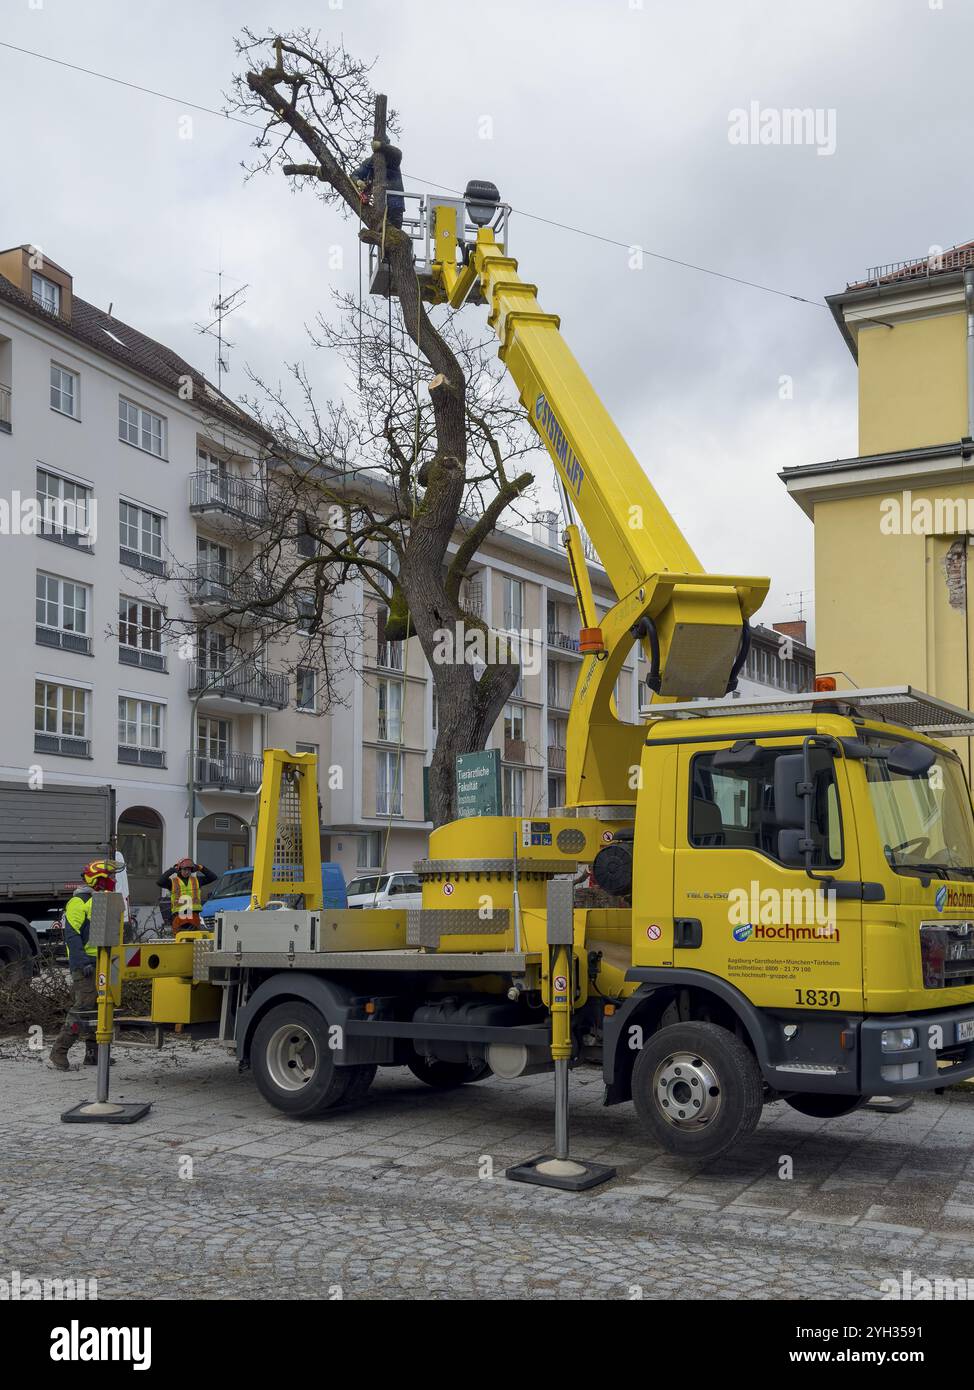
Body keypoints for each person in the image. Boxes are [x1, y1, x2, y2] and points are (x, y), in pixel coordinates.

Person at [48, 860, 119, 1071]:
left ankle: (93, 1054)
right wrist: (82, 962)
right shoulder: (78, 902)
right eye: (108, 878)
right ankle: (58, 1052)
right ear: (97, 880)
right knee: (83, 1008)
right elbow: (72, 935)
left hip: (101, 962)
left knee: (99, 1008)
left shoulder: (98, 899)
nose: (112, 881)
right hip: (86, 965)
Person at [351, 139, 405, 229]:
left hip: (395, 203)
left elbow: (398, 153)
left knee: (394, 231)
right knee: (380, 228)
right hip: (380, 204)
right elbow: (354, 175)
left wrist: (382, 146)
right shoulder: (371, 161)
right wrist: (358, 182)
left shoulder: (393, 160)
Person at [156, 858, 216, 933]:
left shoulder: (197, 880)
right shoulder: (173, 882)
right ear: (179, 870)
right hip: (179, 916)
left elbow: (213, 877)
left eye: (189, 870)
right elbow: (159, 882)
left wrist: (201, 868)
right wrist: (171, 870)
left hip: (193, 915)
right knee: (180, 940)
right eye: (185, 869)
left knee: (194, 940)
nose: (187, 872)